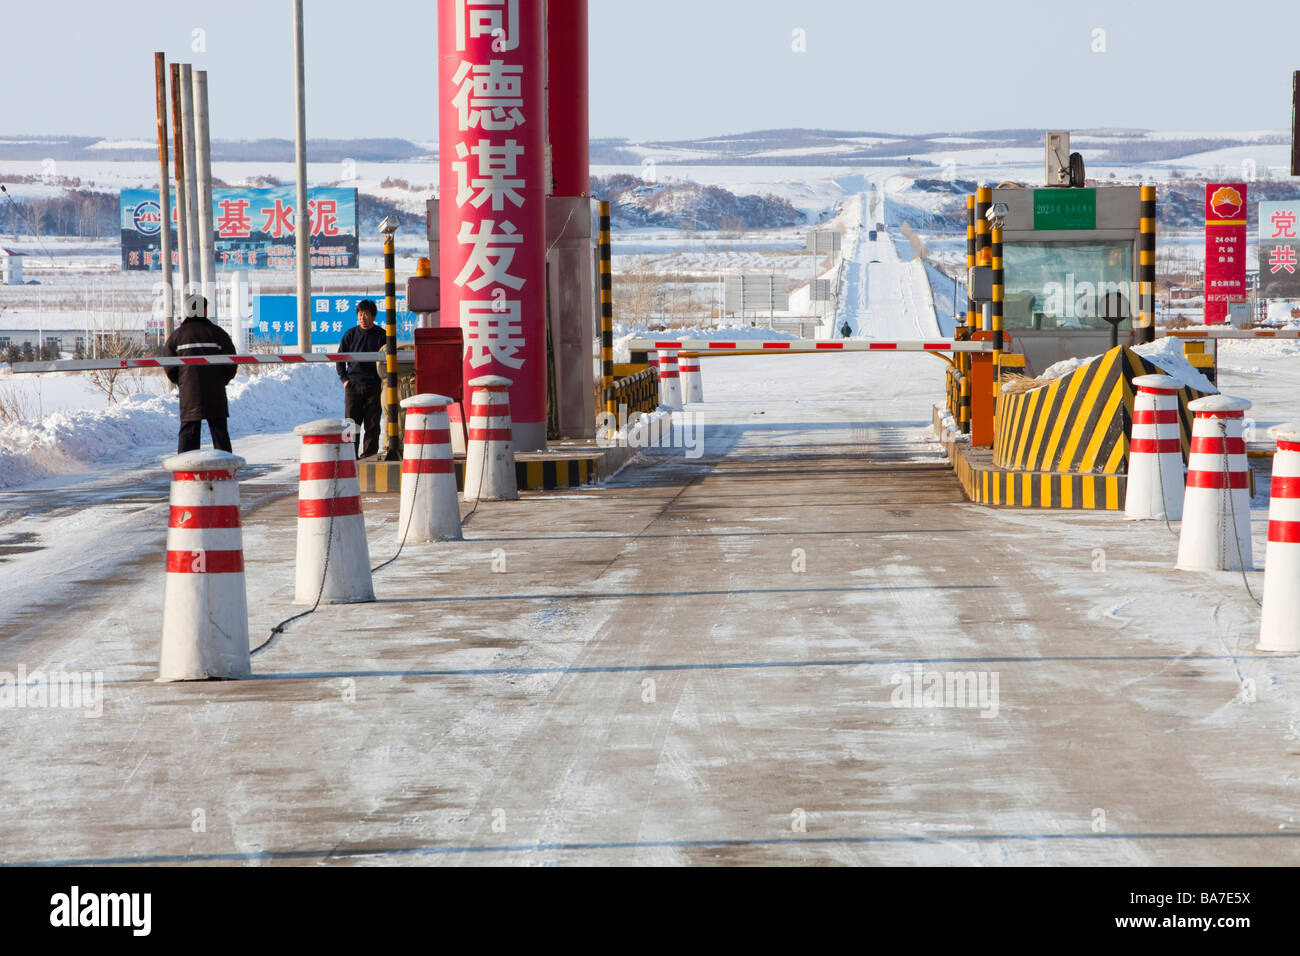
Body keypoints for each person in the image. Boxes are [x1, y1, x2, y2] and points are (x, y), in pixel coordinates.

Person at [164, 294, 237, 454]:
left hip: (189, 391)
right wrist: (222, 379)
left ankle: (186, 468)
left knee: (189, 431)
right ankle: (225, 467)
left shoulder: (177, 336)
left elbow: (169, 365)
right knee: (219, 432)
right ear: (204, 310)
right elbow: (231, 361)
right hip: (215, 389)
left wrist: (181, 381)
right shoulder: (217, 333)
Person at [337, 299, 386, 460]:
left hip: (374, 386)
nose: (362, 318)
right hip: (353, 386)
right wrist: (345, 380)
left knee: (372, 424)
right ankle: (349, 457)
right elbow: (339, 359)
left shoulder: (381, 335)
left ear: (373, 316)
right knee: (350, 424)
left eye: (366, 314)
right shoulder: (350, 335)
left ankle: (369, 457)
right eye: (359, 314)